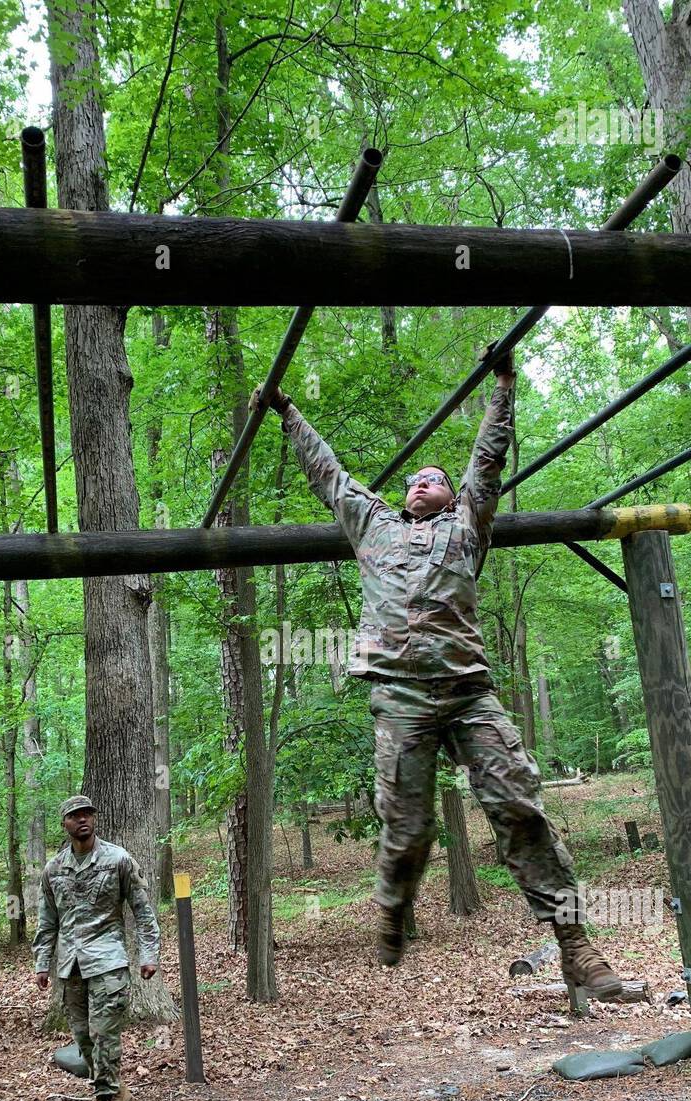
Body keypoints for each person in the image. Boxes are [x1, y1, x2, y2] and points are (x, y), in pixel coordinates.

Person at [248, 348, 622, 998]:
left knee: (520, 810)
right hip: (400, 698)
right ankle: (393, 905)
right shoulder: (373, 527)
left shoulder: (467, 528)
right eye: (414, 479)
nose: (421, 482)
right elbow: (329, 472)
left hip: (469, 693)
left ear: (452, 496)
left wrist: (503, 384)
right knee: (408, 827)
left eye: (434, 478)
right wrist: (286, 411)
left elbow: (487, 459)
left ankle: (574, 945)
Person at [32, 795, 160, 1101]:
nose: (82, 819)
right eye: (75, 816)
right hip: (71, 966)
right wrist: (42, 962)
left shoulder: (118, 859)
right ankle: (117, 1092)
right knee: (84, 1039)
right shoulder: (54, 869)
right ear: (65, 823)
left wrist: (148, 955)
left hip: (108, 961)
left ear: (94, 818)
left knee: (105, 1034)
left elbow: (143, 912)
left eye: (87, 813)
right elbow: (47, 922)